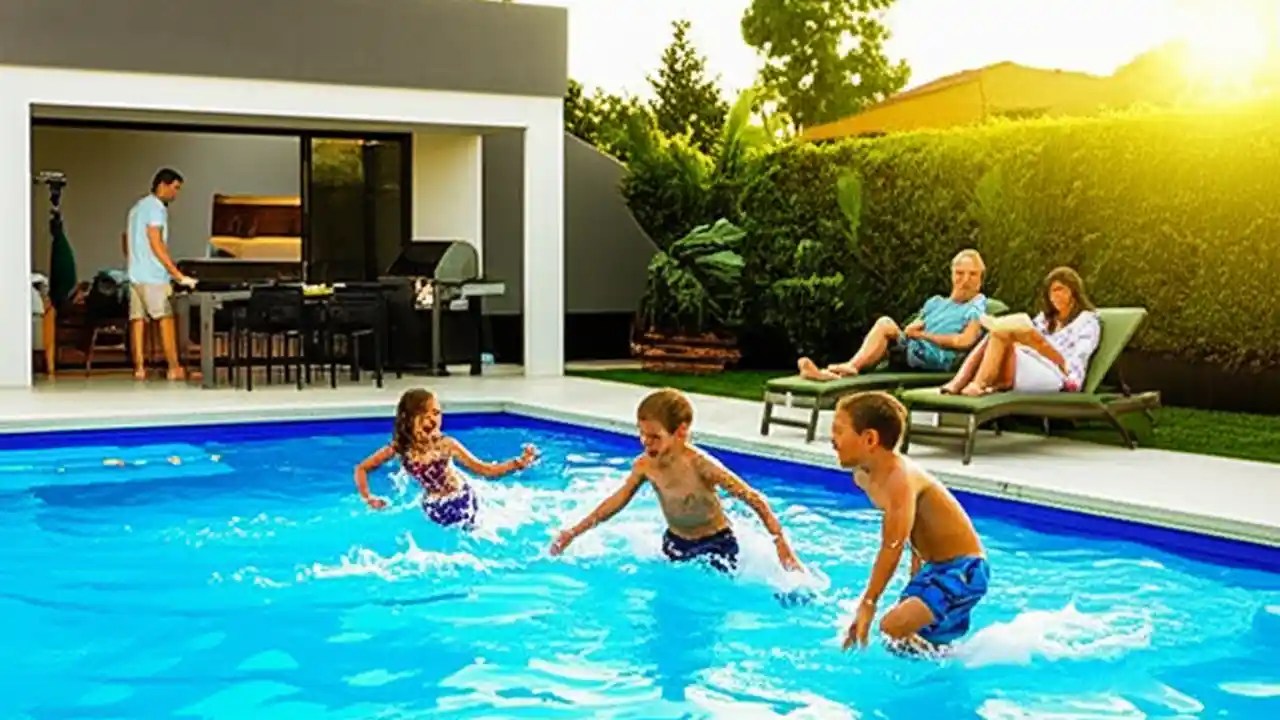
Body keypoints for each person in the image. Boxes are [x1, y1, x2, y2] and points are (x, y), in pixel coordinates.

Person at [549, 388, 802, 574]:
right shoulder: (644, 465)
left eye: (654, 437)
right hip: (675, 542)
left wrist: (781, 543)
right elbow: (616, 502)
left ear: (680, 431)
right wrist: (574, 532)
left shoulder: (701, 465)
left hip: (716, 544)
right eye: (641, 434)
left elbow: (753, 498)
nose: (646, 442)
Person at [831, 391, 989, 654]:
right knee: (902, 643)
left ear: (869, 438)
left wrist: (868, 602)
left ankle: (953, 667)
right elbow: (917, 525)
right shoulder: (865, 476)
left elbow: (893, 543)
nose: (832, 441)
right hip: (934, 570)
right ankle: (946, 662)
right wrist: (916, 573)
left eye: (838, 431)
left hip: (963, 571)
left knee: (892, 627)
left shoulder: (900, 479)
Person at [354, 388, 539, 528]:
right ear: (410, 419)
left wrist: (518, 463)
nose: (434, 419)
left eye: (437, 413)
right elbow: (362, 469)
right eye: (426, 414)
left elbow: (485, 470)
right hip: (433, 507)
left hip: (461, 501)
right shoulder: (400, 448)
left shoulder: (446, 445)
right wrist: (368, 498)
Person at [798, 249, 989, 381]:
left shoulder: (976, 306)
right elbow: (911, 329)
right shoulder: (935, 302)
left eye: (972, 274)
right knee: (884, 330)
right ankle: (831, 373)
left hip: (932, 359)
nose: (965, 280)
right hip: (911, 350)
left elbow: (965, 341)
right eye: (960, 273)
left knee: (884, 328)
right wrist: (912, 331)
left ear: (980, 280)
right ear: (952, 275)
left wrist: (923, 335)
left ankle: (847, 368)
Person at [941, 266, 1101, 396]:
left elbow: (1080, 357)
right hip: (1033, 364)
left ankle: (977, 383)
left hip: (1059, 375)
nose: (1055, 296)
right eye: (1052, 291)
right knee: (998, 332)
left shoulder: (1087, 321)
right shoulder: (1046, 319)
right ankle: (963, 382)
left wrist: (1068, 375)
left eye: (1061, 289)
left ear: (1074, 291)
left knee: (1008, 333)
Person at [122, 168, 197, 381]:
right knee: (165, 318)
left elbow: (125, 238)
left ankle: (139, 368)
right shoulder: (156, 208)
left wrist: (133, 261)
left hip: (135, 273)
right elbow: (156, 241)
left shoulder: (137, 208)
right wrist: (176, 274)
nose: (176, 194)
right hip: (153, 275)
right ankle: (174, 367)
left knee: (138, 320)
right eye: (175, 188)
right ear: (162, 185)